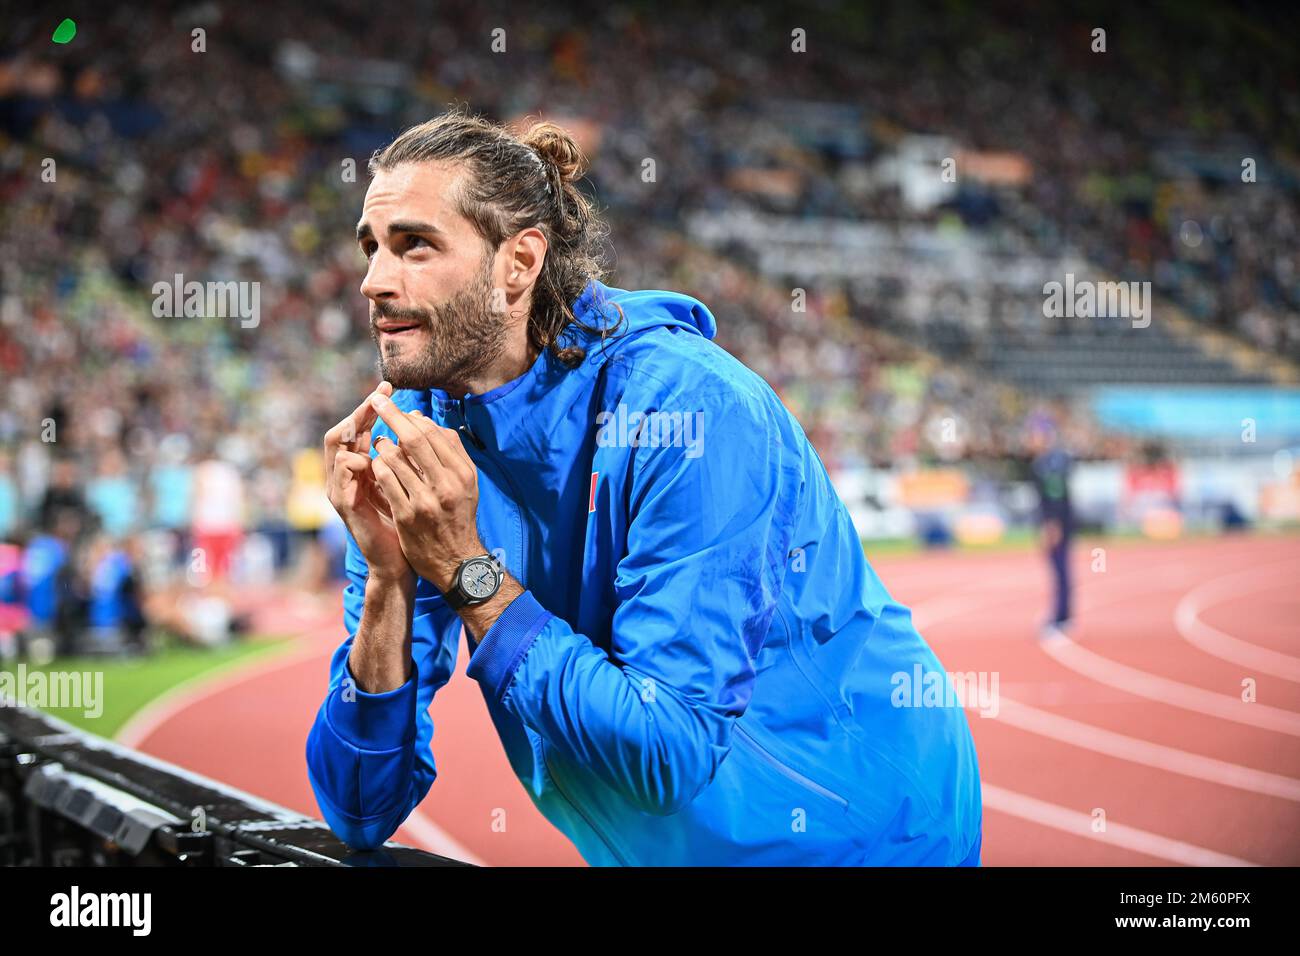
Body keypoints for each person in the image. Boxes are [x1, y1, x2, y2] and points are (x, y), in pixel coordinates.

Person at [305, 108, 982, 866]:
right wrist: (391, 585)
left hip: (857, 838)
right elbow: (360, 809)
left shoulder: (689, 408)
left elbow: (669, 750)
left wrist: (469, 572)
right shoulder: (418, 434)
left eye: (415, 247)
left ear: (518, 264)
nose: (372, 281)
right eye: (370, 247)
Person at [1026, 415, 1074, 639]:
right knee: (1059, 570)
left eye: (1034, 435)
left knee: (1061, 570)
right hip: (1058, 521)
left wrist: (1052, 525)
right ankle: (1062, 615)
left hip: (1059, 523)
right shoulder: (1047, 461)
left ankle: (1062, 618)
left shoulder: (1050, 463)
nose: (1030, 440)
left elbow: (1055, 495)